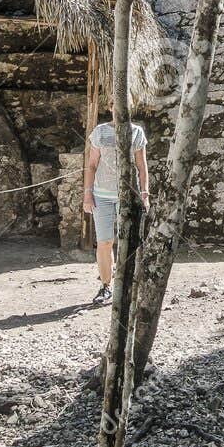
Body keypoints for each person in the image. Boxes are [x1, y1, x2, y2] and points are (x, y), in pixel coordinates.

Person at [83, 111, 150, 306]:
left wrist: (144, 194)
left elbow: (141, 165)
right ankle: (106, 286)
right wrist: (88, 194)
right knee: (104, 242)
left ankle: (128, 286)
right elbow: (92, 165)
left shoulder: (136, 132)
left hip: (127, 195)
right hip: (101, 195)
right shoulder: (100, 132)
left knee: (128, 241)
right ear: (111, 106)